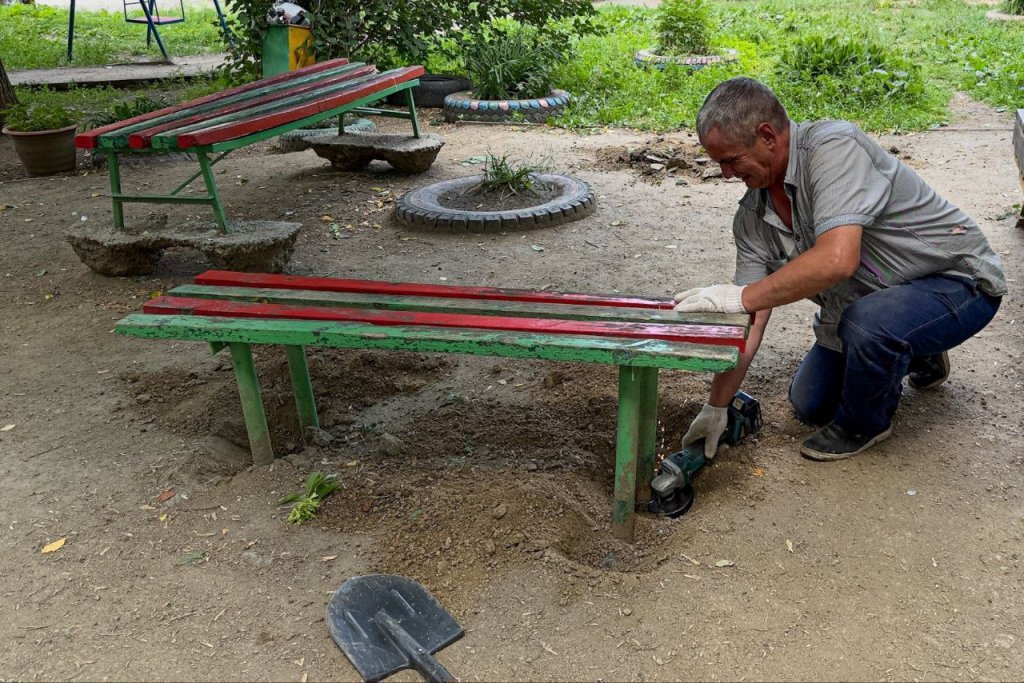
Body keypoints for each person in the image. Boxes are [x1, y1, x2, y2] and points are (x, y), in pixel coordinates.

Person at [674, 77, 1006, 461]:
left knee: (870, 327)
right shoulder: (752, 216)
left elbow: (837, 259)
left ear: (767, 135)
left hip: (956, 283)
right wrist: (716, 406)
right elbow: (749, 320)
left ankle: (866, 426)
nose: (726, 175)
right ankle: (915, 347)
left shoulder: (835, 148)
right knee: (811, 403)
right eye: (720, 164)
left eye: (731, 160)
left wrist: (741, 296)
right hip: (874, 305)